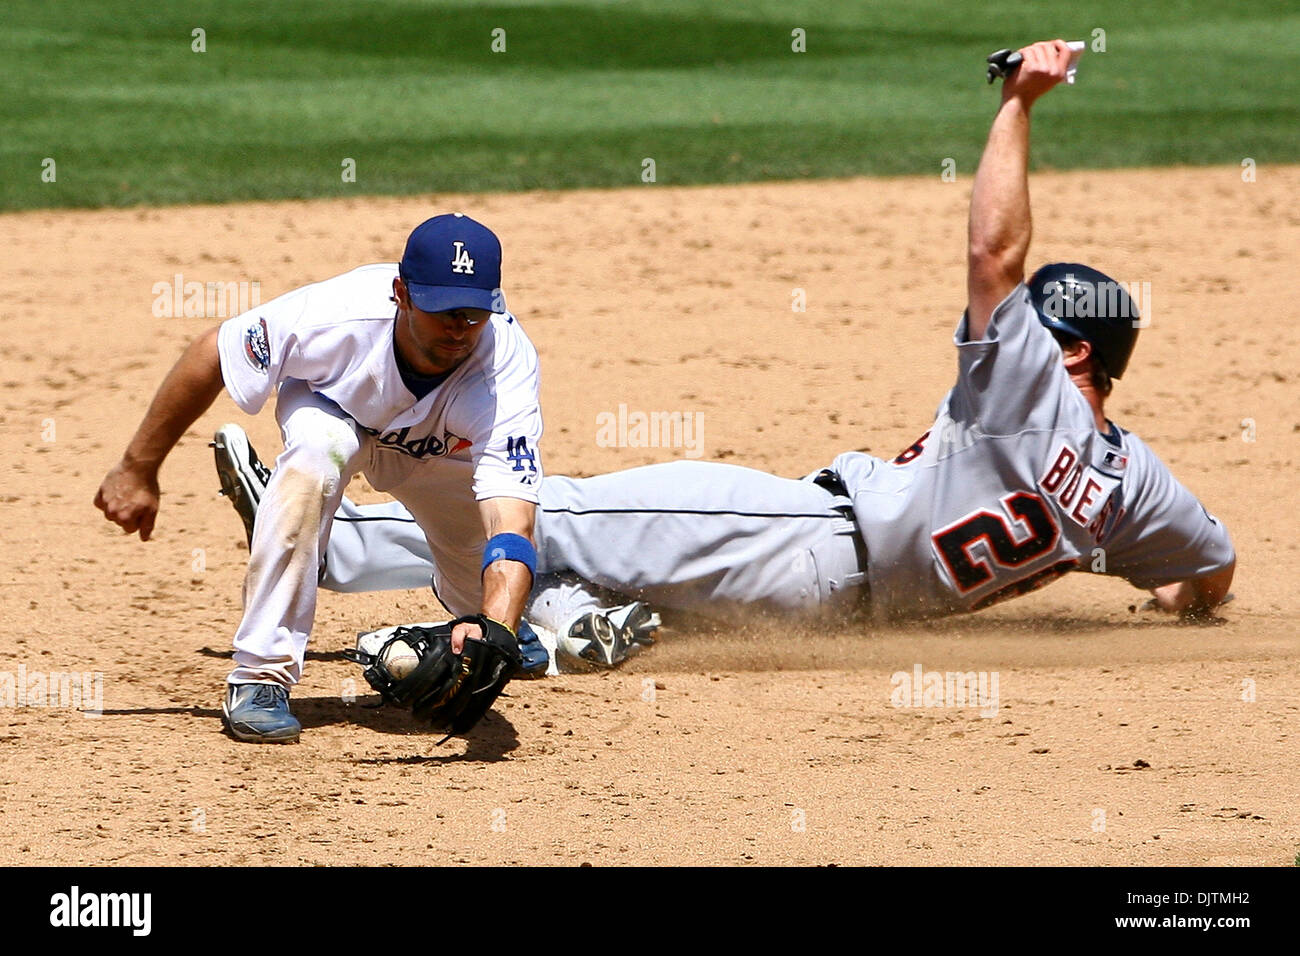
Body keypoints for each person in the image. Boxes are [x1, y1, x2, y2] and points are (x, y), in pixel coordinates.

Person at [215, 42, 1236, 655]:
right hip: (843, 612)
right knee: (620, 580)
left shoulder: (1030, 389)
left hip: (799, 537)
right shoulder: (1132, 485)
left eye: (1034, 328)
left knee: (556, 507)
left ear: (1065, 353)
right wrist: (1174, 594)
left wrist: (1017, 103)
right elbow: (1215, 565)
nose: (1012, 333)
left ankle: (336, 545)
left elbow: (991, 253)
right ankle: (560, 631)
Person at [95, 214, 565, 743]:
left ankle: (486, 620)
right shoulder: (334, 316)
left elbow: (511, 517)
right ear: (401, 293)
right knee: (316, 457)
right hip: (332, 409)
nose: (458, 327)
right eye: (441, 310)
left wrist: (495, 627)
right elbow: (214, 352)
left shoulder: (504, 368)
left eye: (473, 312)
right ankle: (259, 676)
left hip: (438, 451)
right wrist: (137, 468)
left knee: (479, 582)